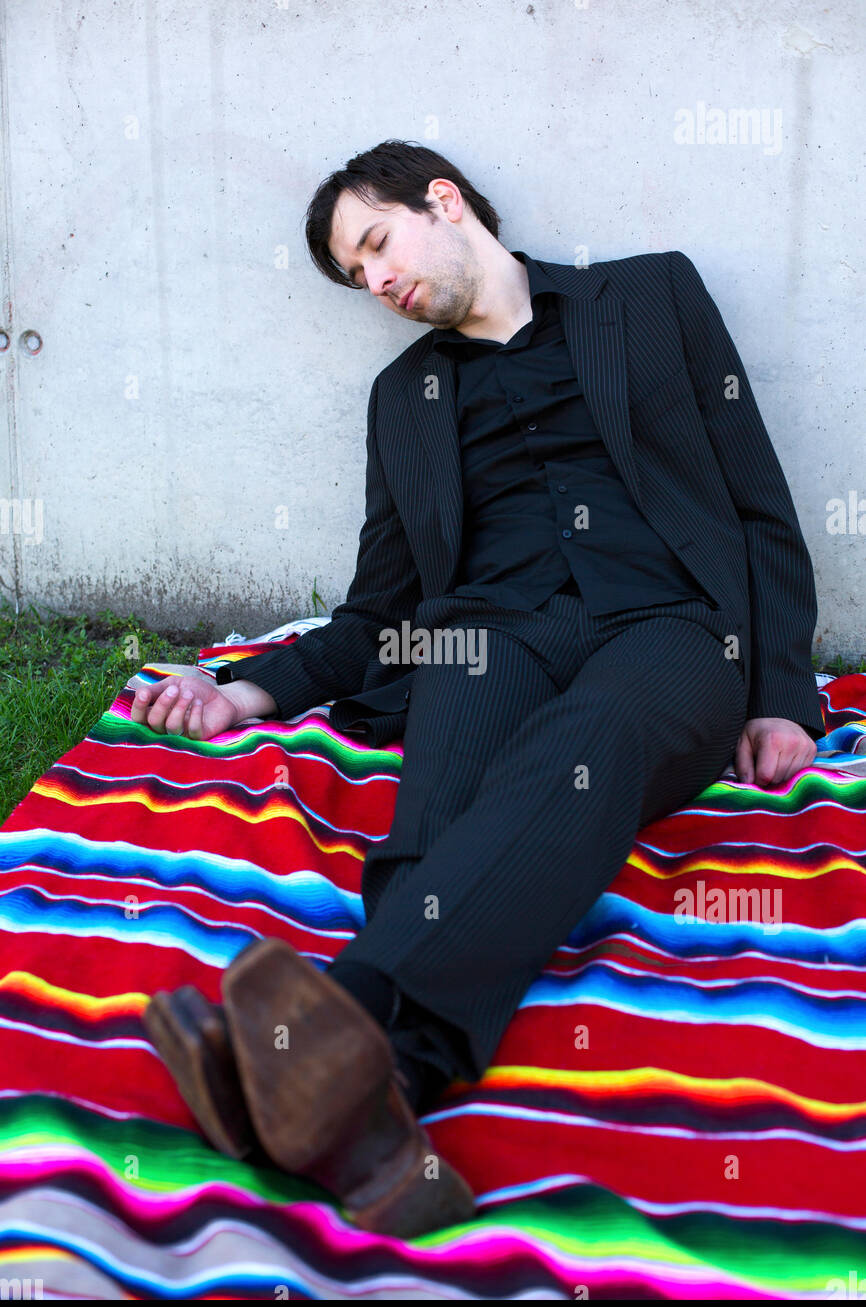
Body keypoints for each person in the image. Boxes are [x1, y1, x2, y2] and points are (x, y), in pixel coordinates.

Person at [132, 140, 823, 1238]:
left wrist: (781, 690)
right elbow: (375, 613)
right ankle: (379, 1117)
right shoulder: (401, 397)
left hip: (667, 627)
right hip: (480, 637)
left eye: (373, 244)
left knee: (588, 737)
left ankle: (344, 1020)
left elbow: (755, 499)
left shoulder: (648, 295)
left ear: (441, 201)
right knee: (442, 787)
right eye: (356, 277)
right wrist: (250, 693)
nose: (376, 284)